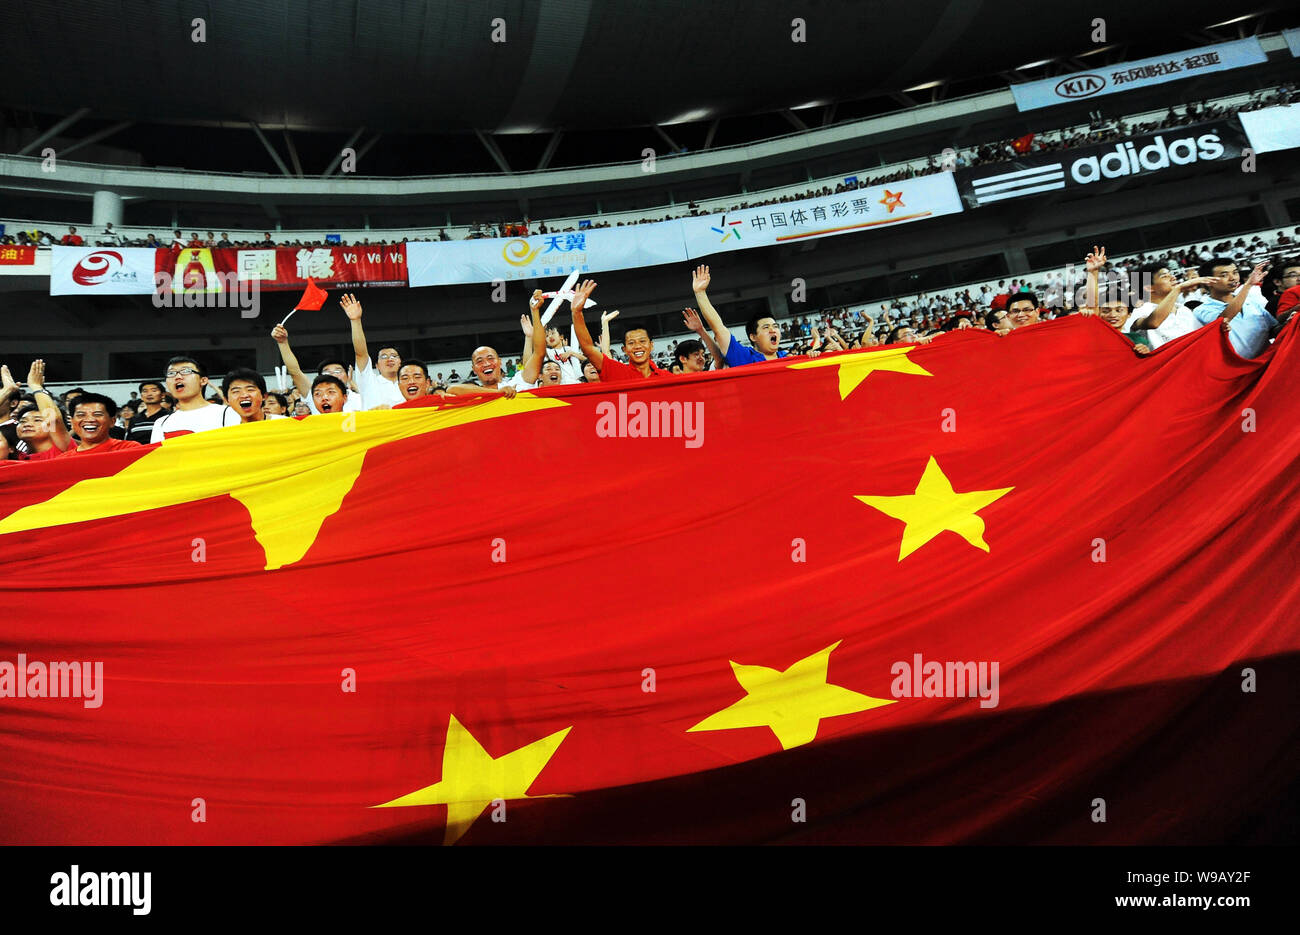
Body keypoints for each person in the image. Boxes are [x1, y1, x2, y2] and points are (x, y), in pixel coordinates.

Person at [446, 290, 547, 398]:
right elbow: (452, 389)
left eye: (490, 358)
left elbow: (539, 353)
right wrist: (498, 393)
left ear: (499, 362)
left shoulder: (519, 382)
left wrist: (535, 311)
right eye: (479, 361)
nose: (486, 364)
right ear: (474, 369)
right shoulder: (472, 394)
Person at [570, 280, 667, 381]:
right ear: (624, 349)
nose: (637, 346)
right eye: (631, 343)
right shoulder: (616, 371)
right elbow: (588, 348)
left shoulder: (666, 377)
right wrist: (577, 313)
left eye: (642, 341)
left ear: (651, 345)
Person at [690, 265, 787, 365]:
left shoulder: (789, 358)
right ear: (753, 337)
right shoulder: (744, 356)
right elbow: (719, 329)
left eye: (775, 326)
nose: (772, 330)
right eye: (766, 327)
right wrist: (700, 293)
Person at [1190, 258, 1276, 358]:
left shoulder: (1250, 302)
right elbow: (1224, 319)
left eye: (1235, 273)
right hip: (1238, 369)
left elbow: (1272, 329)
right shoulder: (1201, 310)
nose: (1233, 278)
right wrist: (1248, 285)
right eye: (1224, 275)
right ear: (1208, 281)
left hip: (1268, 362)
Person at [270, 323, 363, 413]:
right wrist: (282, 343)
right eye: (326, 373)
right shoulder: (314, 395)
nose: (333, 374)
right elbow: (295, 373)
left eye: (338, 371)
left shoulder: (360, 399)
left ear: (348, 376)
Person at [149, 357, 240, 441]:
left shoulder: (228, 413)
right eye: (171, 373)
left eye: (186, 371)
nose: (178, 377)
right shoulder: (161, 423)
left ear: (203, 380)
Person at [341, 293, 404, 410]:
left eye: (394, 356)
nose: (390, 359)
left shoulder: (409, 383)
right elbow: (361, 354)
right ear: (377, 365)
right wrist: (355, 321)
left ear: (400, 362)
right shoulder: (369, 381)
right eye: (384, 357)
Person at [46, 394, 143, 456]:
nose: (90, 419)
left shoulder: (130, 449)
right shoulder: (63, 459)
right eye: (81, 415)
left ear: (112, 421)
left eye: (97, 414)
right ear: (71, 422)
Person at [127, 379, 170, 444]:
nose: (149, 394)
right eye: (145, 391)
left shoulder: (169, 417)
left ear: (163, 395)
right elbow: (129, 442)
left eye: (154, 391)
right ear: (141, 396)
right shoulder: (134, 419)